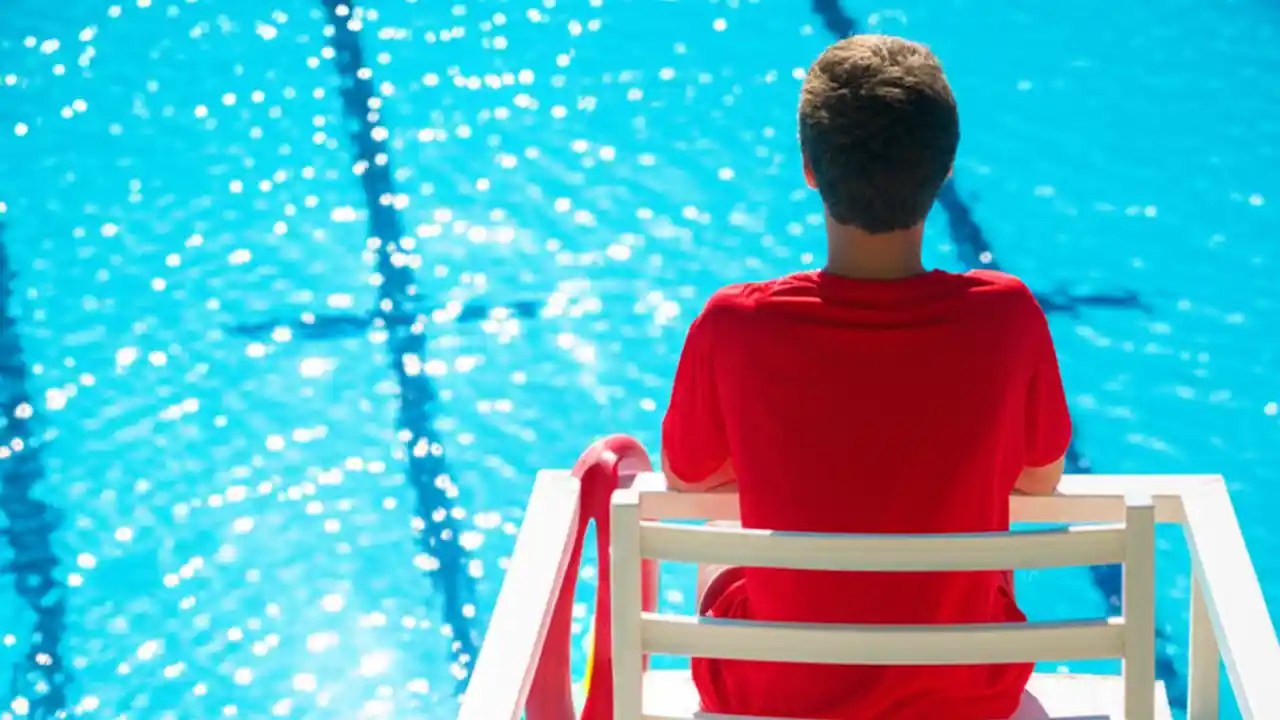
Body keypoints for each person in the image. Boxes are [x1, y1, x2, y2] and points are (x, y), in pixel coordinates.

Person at [660, 34, 1072, 719]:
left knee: (723, 554)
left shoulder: (735, 324)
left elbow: (690, 479)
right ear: (944, 172)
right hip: (967, 690)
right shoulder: (1007, 317)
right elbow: (1040, 477)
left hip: (777, 690)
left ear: (810, 170)